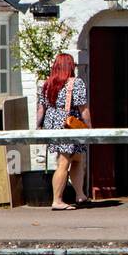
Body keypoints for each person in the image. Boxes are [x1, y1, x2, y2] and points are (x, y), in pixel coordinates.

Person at [36, 53, 93, 210]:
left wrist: (38, 126)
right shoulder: (76, 83)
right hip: (69, 124)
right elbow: (83, 108)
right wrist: (89, 127)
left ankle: (80, 195)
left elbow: (41, 108)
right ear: (70, 66)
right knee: (64, 162)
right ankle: (57, 200)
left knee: (78, 159)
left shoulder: (46, 84)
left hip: (53, 124)